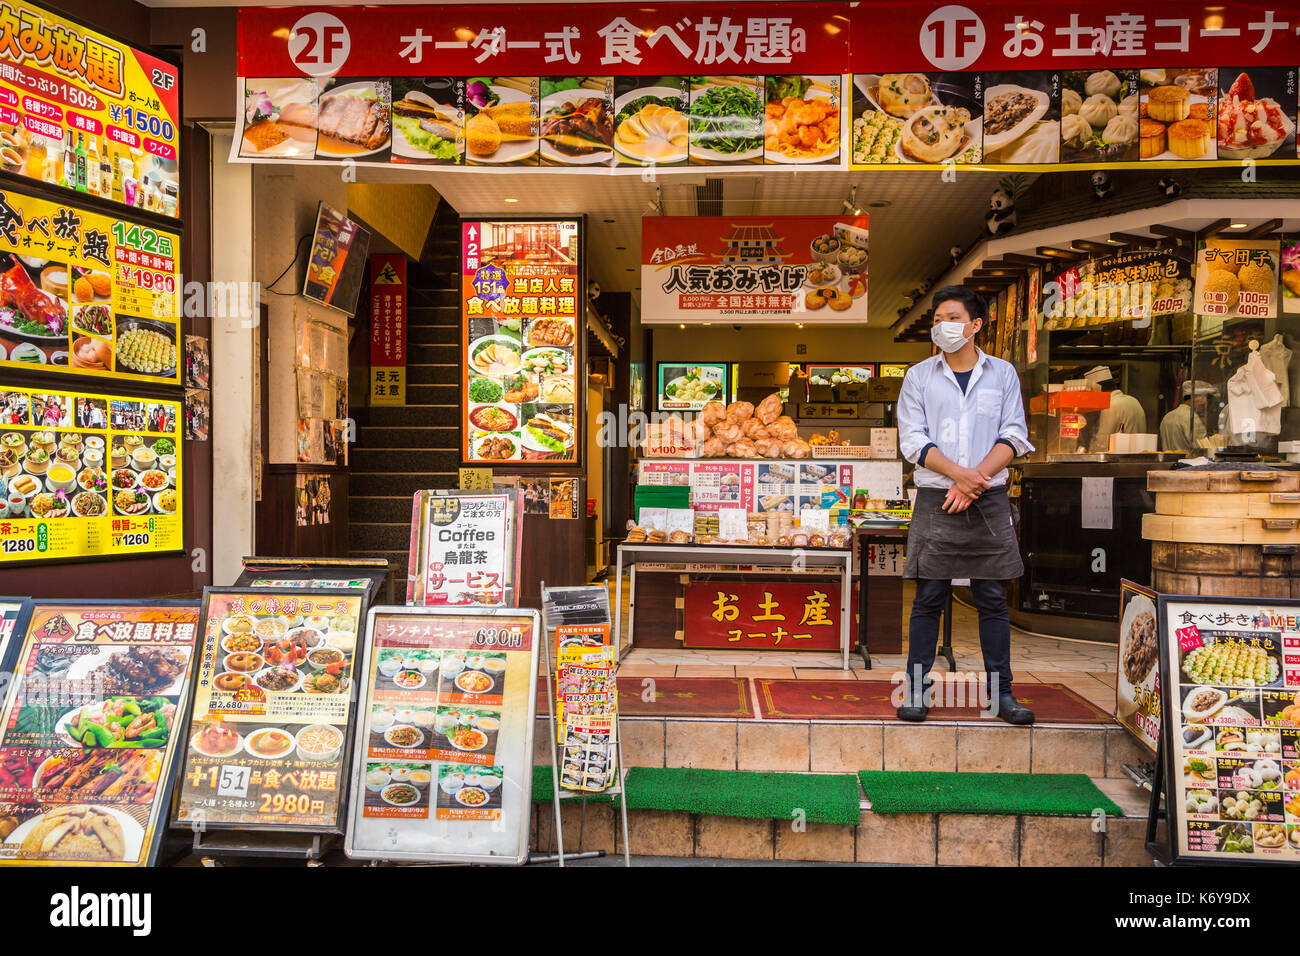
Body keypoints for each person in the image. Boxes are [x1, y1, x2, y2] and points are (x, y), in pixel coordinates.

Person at [895, 286, 1036, 725]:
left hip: (987, 498)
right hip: (940, 497)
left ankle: (1002, 696)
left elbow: (1014, 434)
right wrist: (962, 476)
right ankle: (916, 691)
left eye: (952, 317)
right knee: (928, 597)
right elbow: (913, 441)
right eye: (938, 319)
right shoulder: (919, 375)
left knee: (992, 597)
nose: (942, 326)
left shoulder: (1003, 373)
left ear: (975, 325)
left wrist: (974, 483)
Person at [1159, 380, 1214, 452]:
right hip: (1187, 462)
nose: (1205, 407)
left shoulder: (1167, 417)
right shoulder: (1192, 418)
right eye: (1204, 404)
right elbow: (1203, 449)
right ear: (1199, 398)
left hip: (1168, 462)